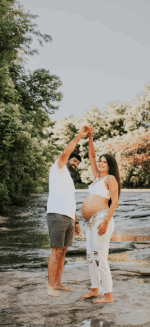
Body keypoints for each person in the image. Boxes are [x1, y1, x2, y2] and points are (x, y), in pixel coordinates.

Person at [46, 126, 89, 297]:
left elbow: (70, 201)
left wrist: (76, 221)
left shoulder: (69, 180)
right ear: (67, 159)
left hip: (69, 217)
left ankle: (58, 283)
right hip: (56, 215)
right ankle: (50, 286)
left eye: (78, 163)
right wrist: (80, 136)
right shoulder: (58, 168)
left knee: (63, 251)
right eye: (74, 161)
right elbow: (66, 152)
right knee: (56, 250)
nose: (76, 164)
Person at [82, 127, 121, 303]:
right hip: (90, 222)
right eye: (100, 161)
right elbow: (91, 155)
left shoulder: (110, 179)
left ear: (110, 165)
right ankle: (95, 289)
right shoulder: (97, 177)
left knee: (101, 258)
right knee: (90, 256)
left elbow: (115, 202)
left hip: (101, 219)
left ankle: (109, 294)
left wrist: (106, 221)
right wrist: (90, 137)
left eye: (104, 162)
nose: (100, 164)